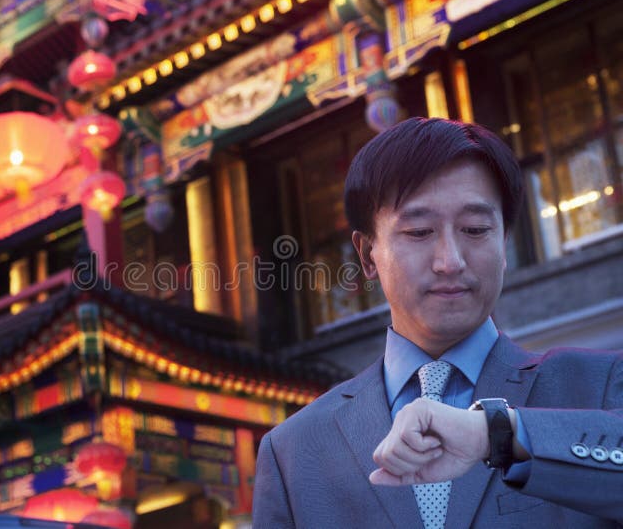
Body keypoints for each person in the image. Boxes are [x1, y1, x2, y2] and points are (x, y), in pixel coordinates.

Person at [252, 117, 623, 528]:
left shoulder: (598, 386)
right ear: (367, 254)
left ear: (503, 243)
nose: (450, 261)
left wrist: (497, 434)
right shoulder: (293, 452)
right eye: (419, 231)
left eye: (475, 229)